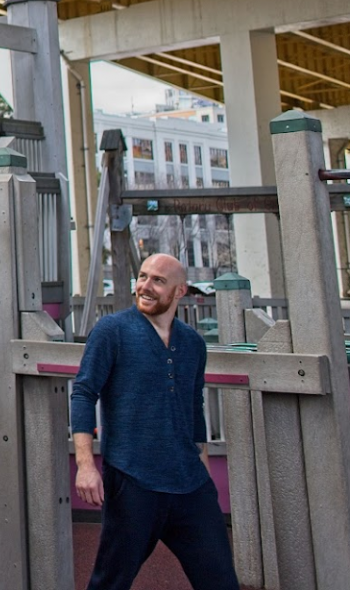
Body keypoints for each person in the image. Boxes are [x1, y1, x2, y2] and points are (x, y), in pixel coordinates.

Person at [70, 253, 239, 590]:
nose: (145, 286)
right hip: (133, 481)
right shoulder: (112, 331)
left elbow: (193, 408)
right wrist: (86, 465)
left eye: (158, 280)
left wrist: (203, 471)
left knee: (221, 582)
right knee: (110, 583)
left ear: (180, 291)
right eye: (143, 277)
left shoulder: (193, 343)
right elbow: (84, 394)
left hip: (190, 485)